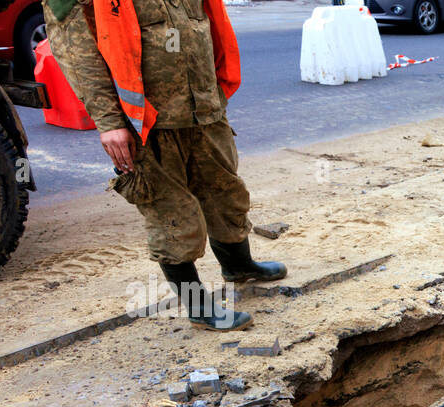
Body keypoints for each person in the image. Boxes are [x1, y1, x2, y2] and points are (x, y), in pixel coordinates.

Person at [43, 0, 284, 331]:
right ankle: (199, 307)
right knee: (173, 218)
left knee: (227, 194)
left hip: (204, 111)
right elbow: (78, 53)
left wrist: (214, 97)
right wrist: (110, 122)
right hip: (147, 124)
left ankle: (239, 266)